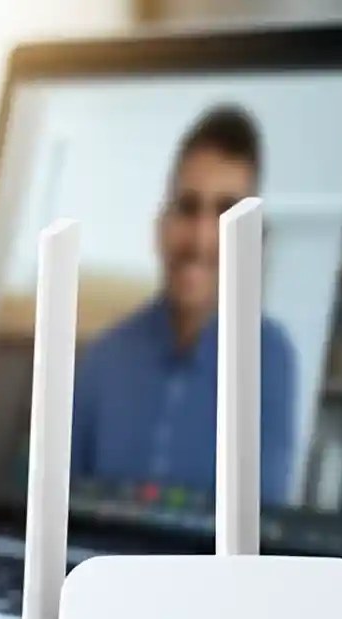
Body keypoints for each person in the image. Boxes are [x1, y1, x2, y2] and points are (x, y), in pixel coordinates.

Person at [70, 105, 298, 506]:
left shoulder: (271, 358)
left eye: (227, 214)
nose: (200, 240)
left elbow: (260, 529)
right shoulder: (103, 358)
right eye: (188, 208)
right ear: (161, 226)